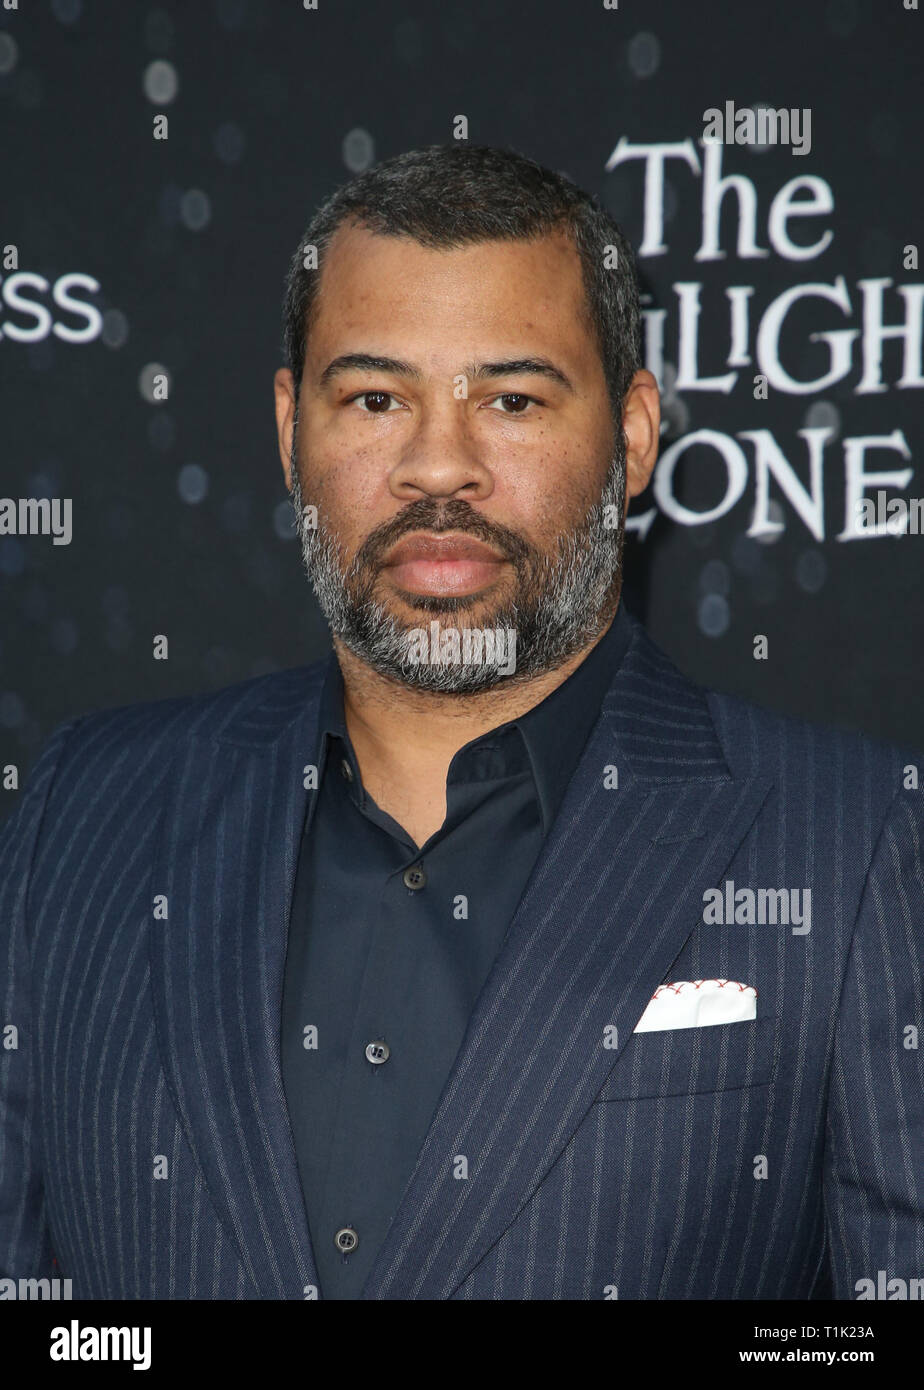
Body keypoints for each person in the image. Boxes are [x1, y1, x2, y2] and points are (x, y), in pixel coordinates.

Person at [1, 144, 922, 1301]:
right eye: (377, 398)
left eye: (513, 399)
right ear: (292, 430)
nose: (441, 467)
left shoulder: (847, 849)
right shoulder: (86, 813)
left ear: (632, 438)